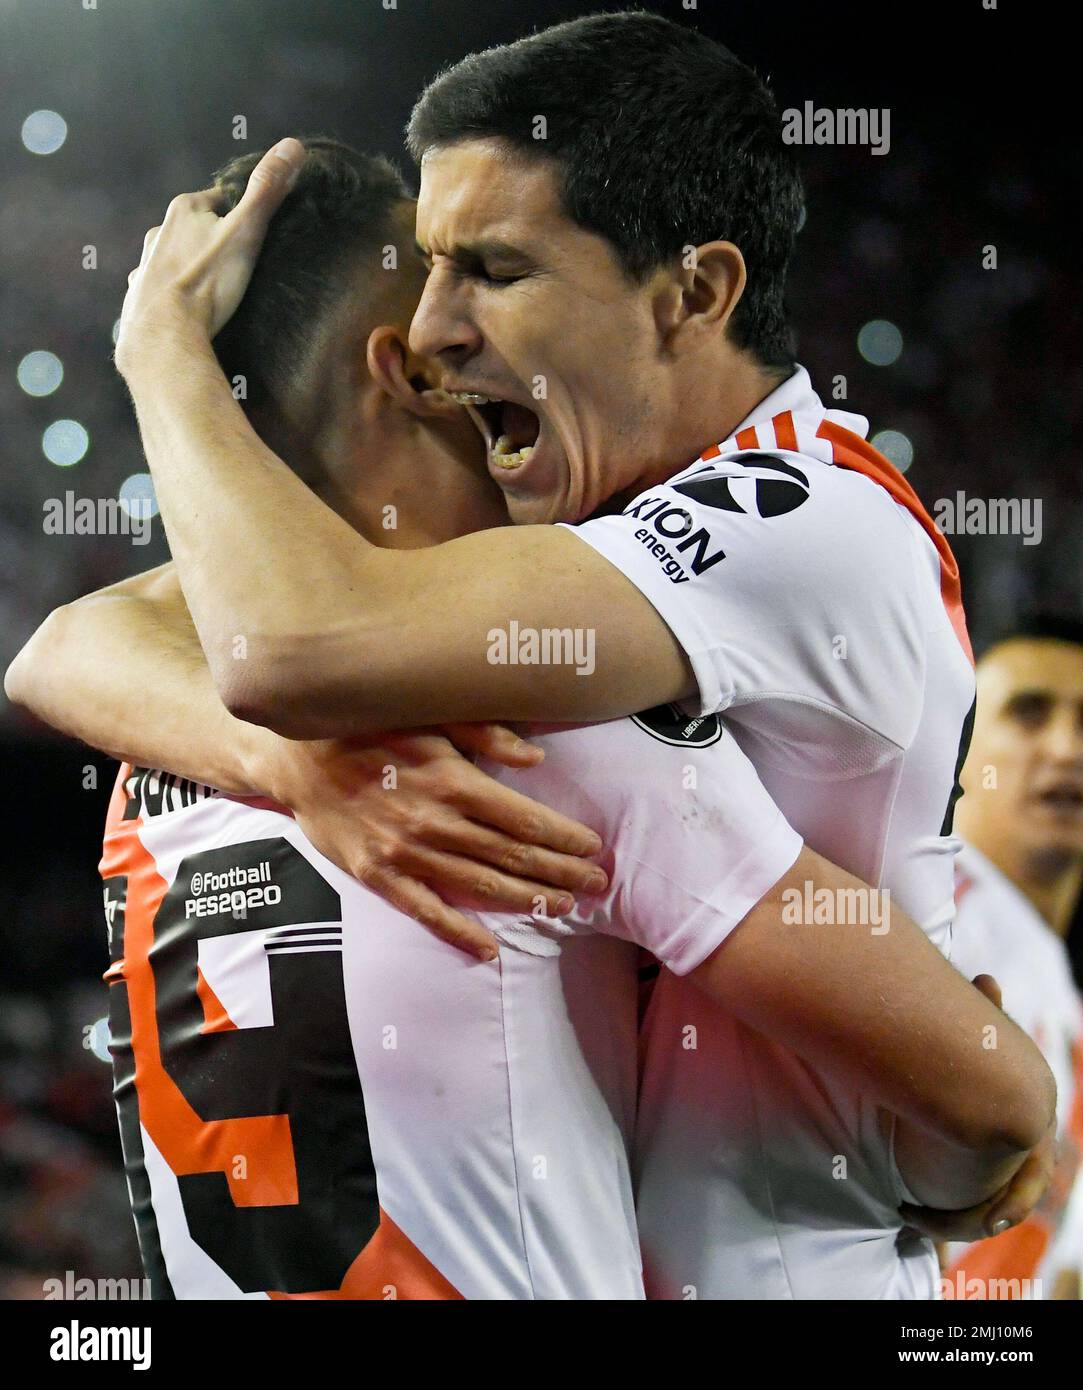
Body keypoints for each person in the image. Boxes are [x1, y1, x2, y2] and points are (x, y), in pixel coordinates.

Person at [8, 19, 1058, 1296]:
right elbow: (997, 1096)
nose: (444, 332)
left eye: (495, 271)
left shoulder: (798, 521)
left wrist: (161, 356)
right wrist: (299, 760)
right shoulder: (520, 726)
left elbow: (144, 643)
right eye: (433, 276)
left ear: (695, 292)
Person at [945, 617, 1083, 1299]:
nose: (1065, 748)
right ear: (959, 749)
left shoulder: (1055, 989)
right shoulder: (913, 907)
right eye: (1028, 714)